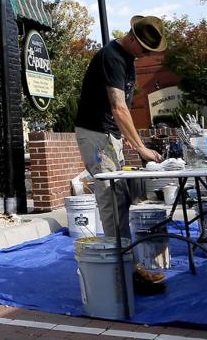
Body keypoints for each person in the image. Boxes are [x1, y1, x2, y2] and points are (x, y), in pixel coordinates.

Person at [75, 15, 168, 294]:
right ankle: (123, 274)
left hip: (108, 134)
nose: (146, 55)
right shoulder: (112, 57)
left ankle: (127, 266)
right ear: (132, 38)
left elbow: (119, 109)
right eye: (145, 49)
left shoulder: (127, 59)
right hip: (96, 134)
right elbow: (118, 107)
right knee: (112, 201)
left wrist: (124, 136)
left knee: (121, 200)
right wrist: (140, 147)